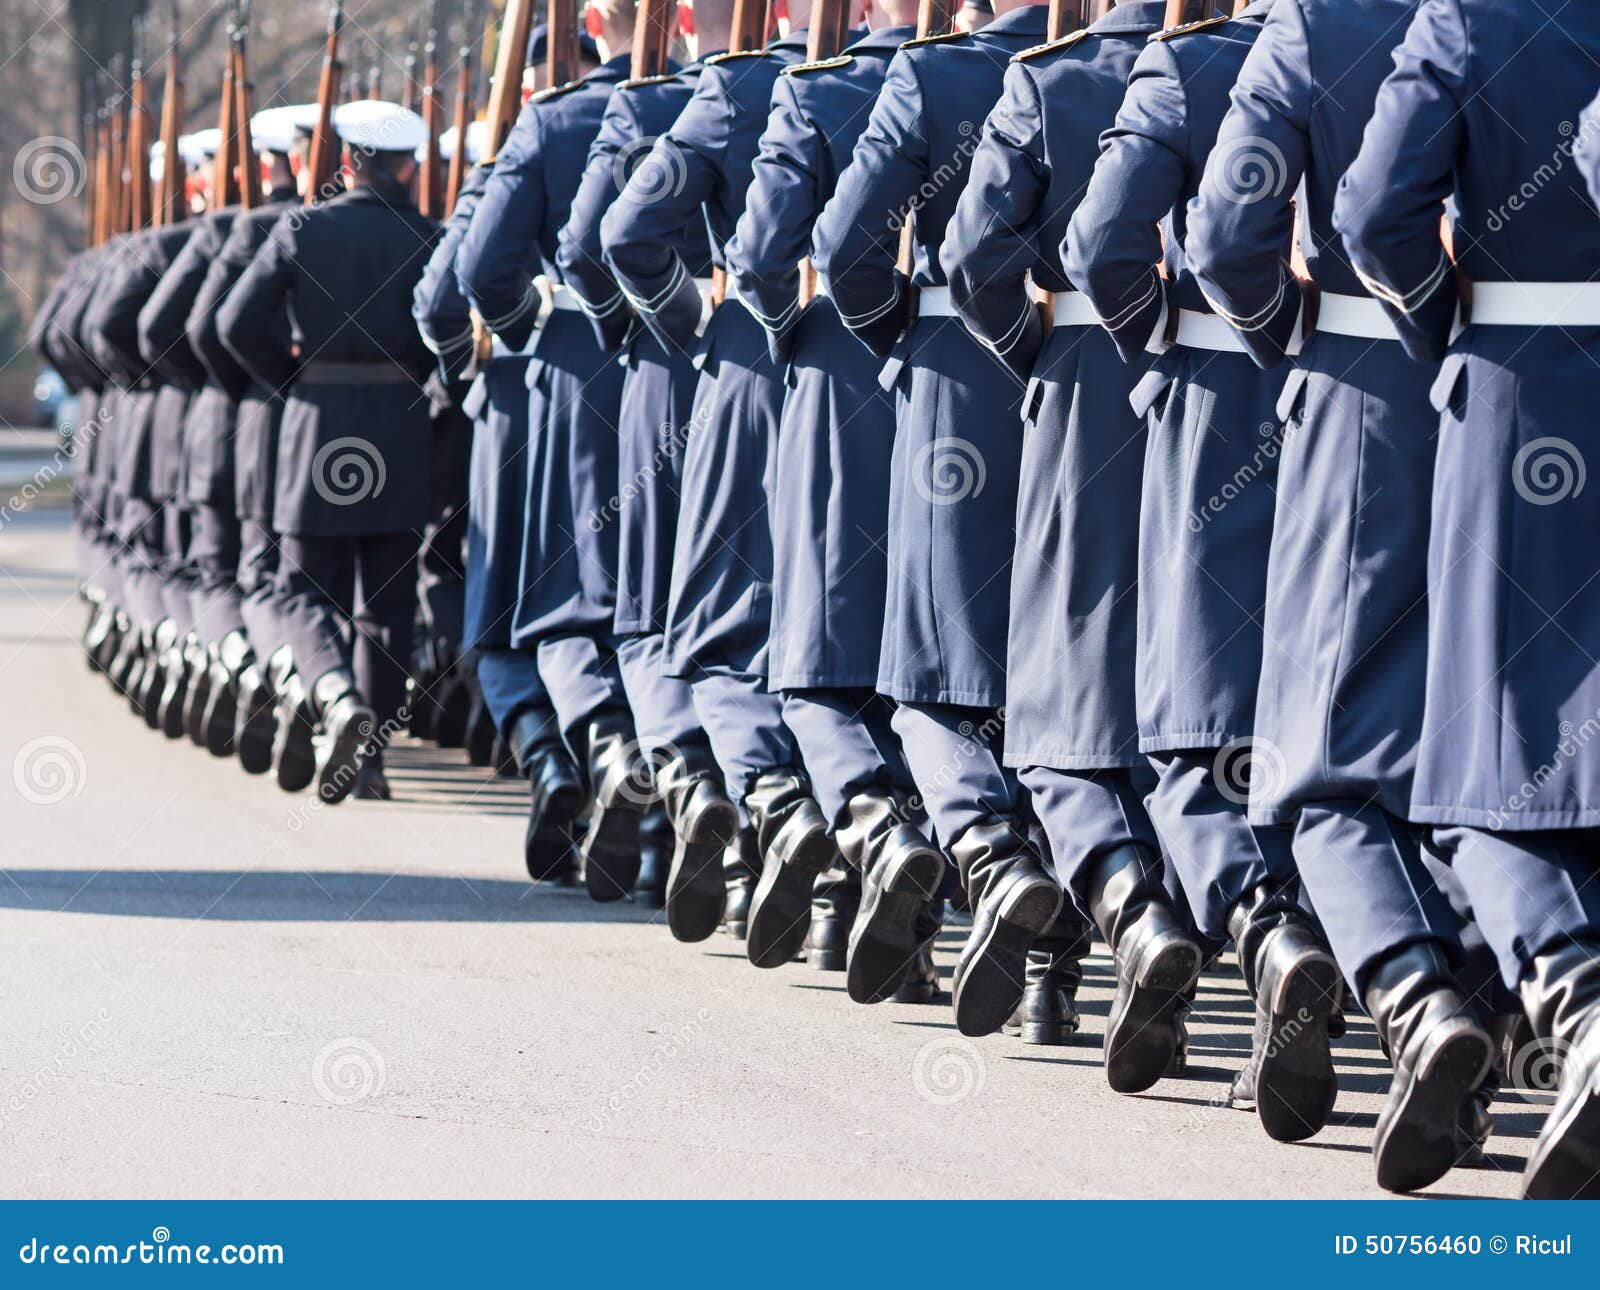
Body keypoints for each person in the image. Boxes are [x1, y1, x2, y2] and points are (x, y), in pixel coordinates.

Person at [1184, 0, 1506, 1190]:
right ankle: (1495, 1039)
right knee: (1483, 743)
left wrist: (1293, 340)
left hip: (1365, 389)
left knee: (1325, 751)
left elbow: (1225, 238)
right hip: (1532, 393)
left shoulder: (1315, 30)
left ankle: (1419, 1003)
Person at [1335, 0, 1600, 1200]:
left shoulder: (1468, 17)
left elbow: (1374, 206)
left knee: (1477, 761)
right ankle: (1486, 1053)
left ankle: (1577, 1009)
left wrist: (1446, 326)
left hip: (1520, 391)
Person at [1065, 1, 1344, 1134]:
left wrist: (1164, 340)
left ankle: (1271, 934)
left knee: (1192, 729)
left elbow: (1100, 248)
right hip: (1358, 402)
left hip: (1219, 404)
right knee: (1317, 722)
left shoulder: (1187, 67)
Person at [944, 0, 1201, 1074]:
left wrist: (1031, 349)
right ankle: (1162, 964)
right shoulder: (1243, 50)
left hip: (1091, 379)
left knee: (1062, 683)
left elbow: (973, 256)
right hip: (1230, 388)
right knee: (1186, 689)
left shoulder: (1054, 76)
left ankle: (1078, 961)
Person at [814, 0, 1074, 1038]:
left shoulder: (935, 77)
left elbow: (845, 247)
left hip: (959, 385)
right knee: (1065, 691)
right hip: (1100, 385)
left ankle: (987, 855)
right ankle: (1054, 981)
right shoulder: (1137, 56)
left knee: (934, 673)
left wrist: (895, 340)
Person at [602, 2, 842, 949]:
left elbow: (623, 234)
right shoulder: (904, 71)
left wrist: (697, 324)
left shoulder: (735, 87)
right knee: (840, 630)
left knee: (711, 620)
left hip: (749, 364)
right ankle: (843, 899)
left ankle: (761, 797)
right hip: (878, 375)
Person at [723, 0, 945, 1004]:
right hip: (969, 384)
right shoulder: (999, 69)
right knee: (936, 669)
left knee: (821, 654)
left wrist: (789, 329)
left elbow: (764, 255)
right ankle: (927, 929)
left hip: (838, 379)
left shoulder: (817, 93)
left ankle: (865, 844)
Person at [458, 1, 652, 899]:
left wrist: (528, 330)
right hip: (685, 371)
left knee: (569, 600)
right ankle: (660, 834)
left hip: (573, 371)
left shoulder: (554, 120)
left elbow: (479, 269)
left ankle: (608, 753)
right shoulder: (705, 96)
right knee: (658, 606)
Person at [556, 3, 744, 913]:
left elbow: (591, 247)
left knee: (649, 613)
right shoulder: (831, 81)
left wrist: (660, 323)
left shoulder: (644, 107)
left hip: (672, 376)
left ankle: (686, 775)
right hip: (780, 379)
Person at [218, 100, 442, 804]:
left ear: (347, 161)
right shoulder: (429, 237)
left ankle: (336, 694)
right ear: (407, 165)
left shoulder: (302, 227)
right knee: (388, 605)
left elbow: (230, 323)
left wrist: (291, 378)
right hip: (401, 429)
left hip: (317, 423)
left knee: (306, 589)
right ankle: (367, 760)